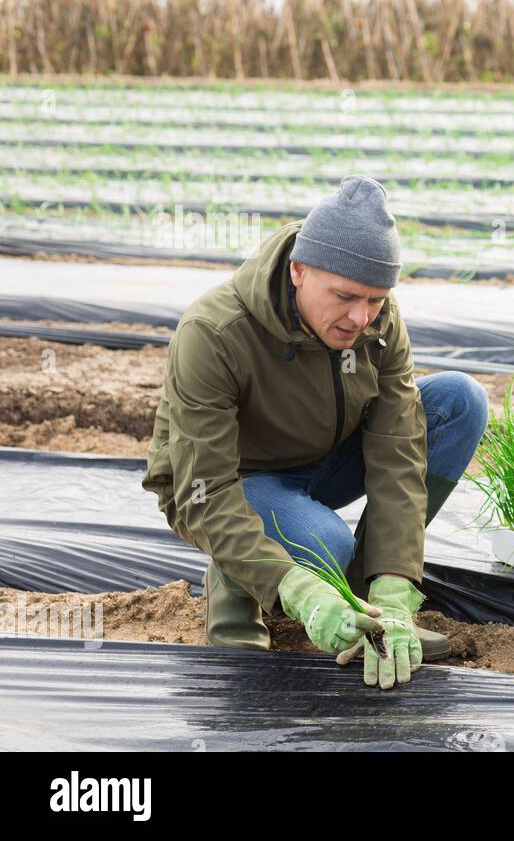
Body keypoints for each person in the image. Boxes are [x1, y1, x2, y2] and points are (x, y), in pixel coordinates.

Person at [142, 175, 488, 690]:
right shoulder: (214, 333)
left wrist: (393, 587)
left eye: (376, 299)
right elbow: (203, 490)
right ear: (299, 270)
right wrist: (298, 591)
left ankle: (363, 608)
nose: (360, 317)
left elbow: (398, 455)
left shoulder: (377, 322)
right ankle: (239, 590)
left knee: (460, 401)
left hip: (323, 460)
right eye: (346, 296)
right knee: (325, 542)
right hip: (232, 483)